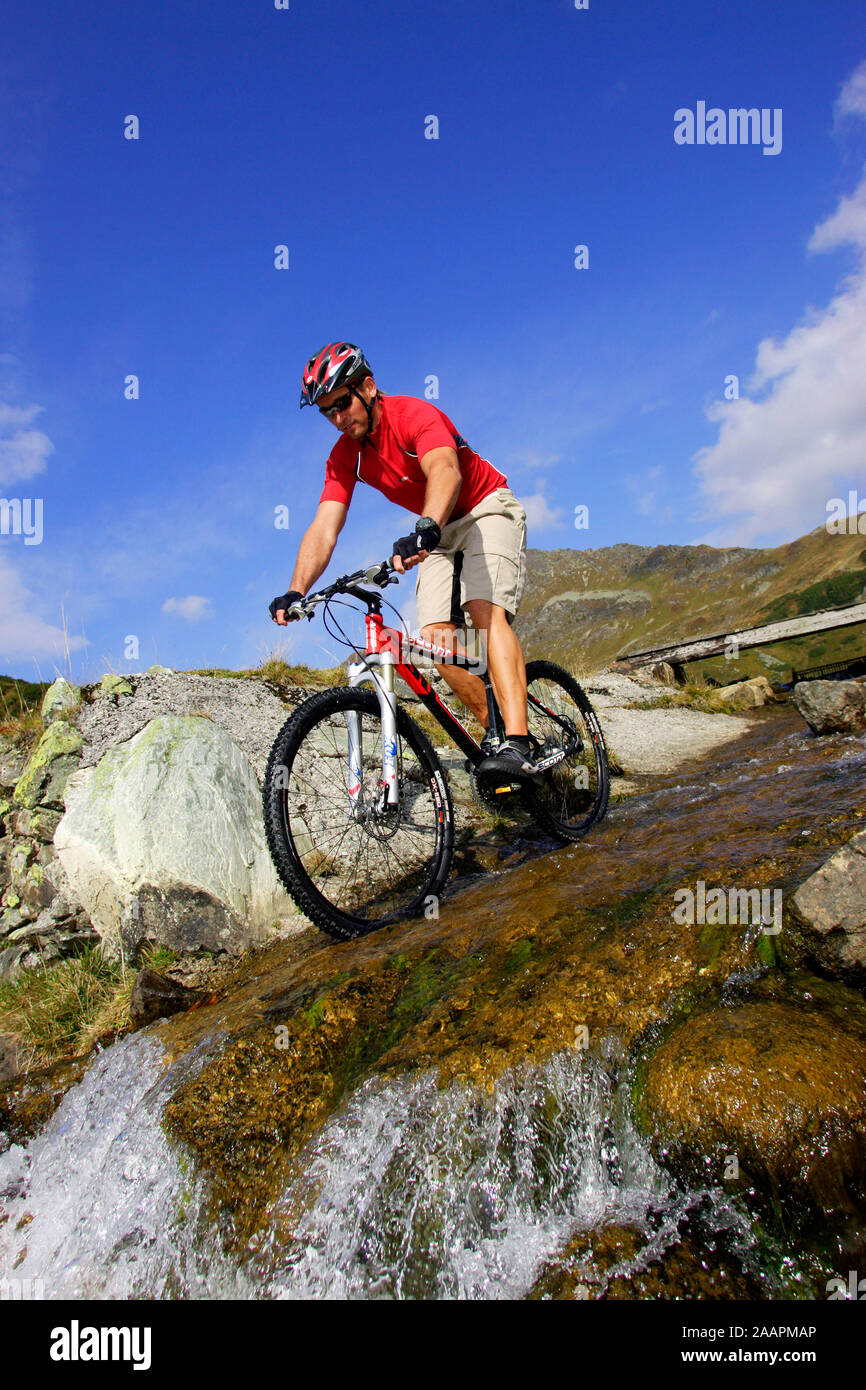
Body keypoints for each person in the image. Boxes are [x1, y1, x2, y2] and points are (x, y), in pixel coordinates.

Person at [269, 341, 538, 777]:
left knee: (483, 613)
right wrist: (296, 589)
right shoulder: (345, 456)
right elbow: (324, 527)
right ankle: (497, 738)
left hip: (483, 506)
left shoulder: (414, 415)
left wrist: (426, 527)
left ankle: (520, 743)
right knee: (435, 638)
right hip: (436, 530)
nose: (338, 419)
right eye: (327, 412)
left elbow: (445, 471)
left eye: (342, 404)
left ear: (368, 388)